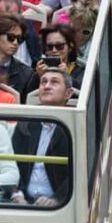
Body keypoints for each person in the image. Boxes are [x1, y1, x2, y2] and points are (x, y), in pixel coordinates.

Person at [11, 69, 73, 206]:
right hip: (22, 202)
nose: (47, 86)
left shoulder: (75, 126)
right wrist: (18, 194)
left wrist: (57, 200)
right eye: (43, 82)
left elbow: (79, 172)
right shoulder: (24, 124)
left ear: (68, 93)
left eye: (54, 82)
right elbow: (12, 164)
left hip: (63, 205)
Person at [29, 23, 84, 92]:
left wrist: (67, 77)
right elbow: (26, 97)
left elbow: (83, 94)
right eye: (49, 47)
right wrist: (38, 77)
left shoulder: (81, 71)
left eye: (59, 46)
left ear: (70, 47)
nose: (54, 50)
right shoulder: (39, 69)